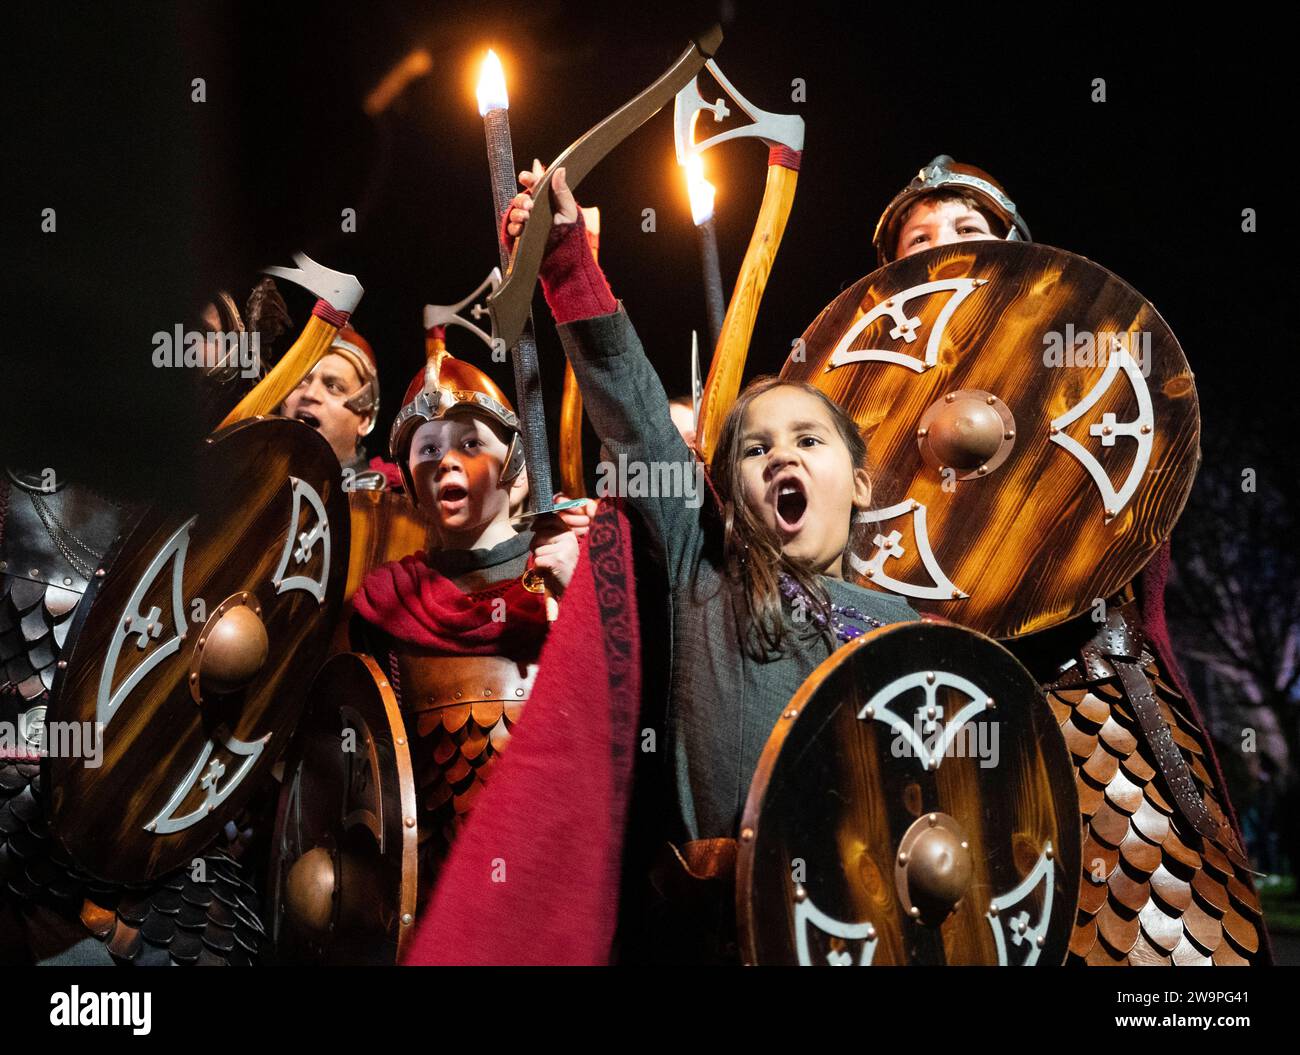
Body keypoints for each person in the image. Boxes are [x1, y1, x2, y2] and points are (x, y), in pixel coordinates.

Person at [503, 165, 917, 958]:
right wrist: (565, 264)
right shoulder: (706, 573)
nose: (779, 457)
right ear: (728, 491)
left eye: (807, 439)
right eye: (754, 449)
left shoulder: (911, 636)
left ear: (860, 482)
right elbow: (638, 422)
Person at [350, 344, 580, 906]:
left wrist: (586, 598)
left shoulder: (580, 561)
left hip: (571, 883)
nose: (446, 460)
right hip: (449, 898)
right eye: (426, 448)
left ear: (517, 472)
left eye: (471, 442)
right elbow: (379, 790)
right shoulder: (387, 605)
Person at [279, 326, 394, 489]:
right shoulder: (248, 483)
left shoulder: (382, 509)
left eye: (333, 387)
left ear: (364, 420)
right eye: (301, 380)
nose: (310, 394)